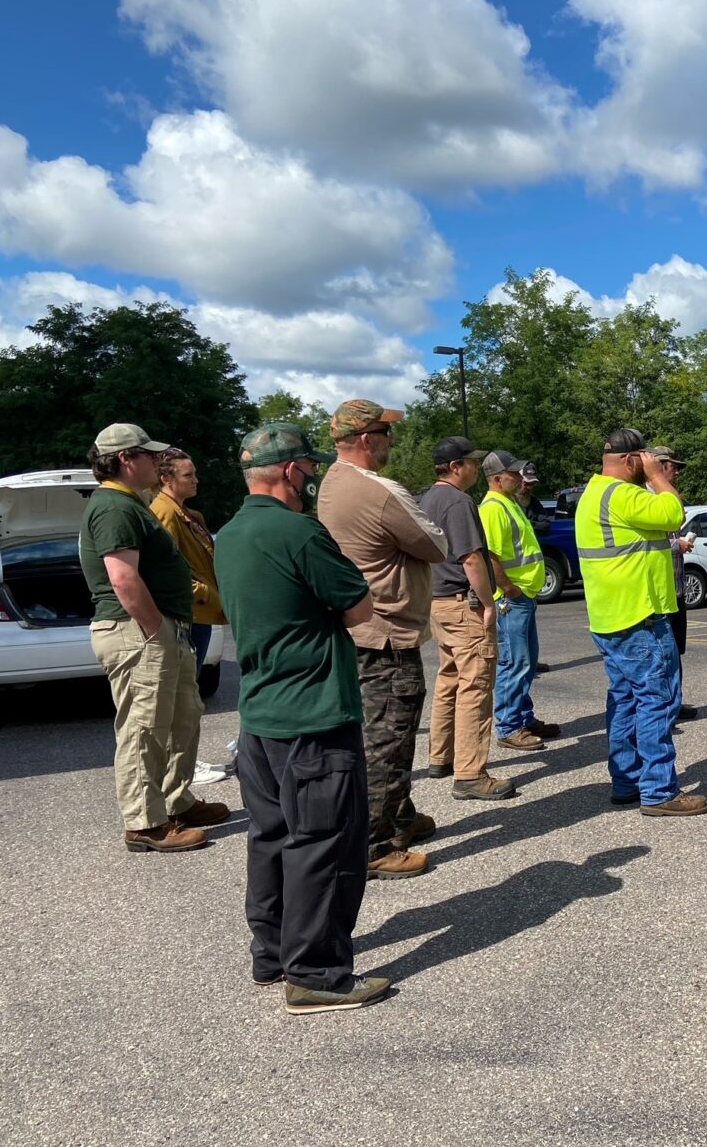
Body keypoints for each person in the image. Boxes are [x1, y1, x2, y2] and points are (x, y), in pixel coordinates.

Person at [213, 422, 390, 1015]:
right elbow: (358, 607)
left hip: (259, 715)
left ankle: (273, 952)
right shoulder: (298, 532)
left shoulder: (229, 534)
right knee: (325, 843)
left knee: (270, 837)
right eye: (309, 469)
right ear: (291, 471)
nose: (312, 478)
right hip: (312, 713)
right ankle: (314, 975)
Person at [79, 423, 228, 853]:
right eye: (149, 455)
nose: (157, 462)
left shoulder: (132, 504)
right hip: (139, 632)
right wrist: (155, 631)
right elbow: (123, 579)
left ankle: (177, 802)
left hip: (163, 630)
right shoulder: (114, 507)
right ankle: (145, 823)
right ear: (126, 458)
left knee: (182, 717)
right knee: (144, 728)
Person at [318, 399, 447, 879]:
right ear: (368, 439)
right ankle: (375, 843)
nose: (392, 441)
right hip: (386, 631)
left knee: (378, 731)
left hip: (359, 627)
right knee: (387, 739)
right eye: (387, 434)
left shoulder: (331, 483)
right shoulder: (378, 490)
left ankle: (401, 816)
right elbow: (437, 544)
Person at [575, 428, 707, 816]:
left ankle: (627, 781)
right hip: (639, 614)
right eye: (645, 457)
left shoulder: (593, 493)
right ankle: (659, 791)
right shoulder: (624, 493)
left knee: (624, 699)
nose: (650, 463)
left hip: (610, 614)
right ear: (632, 459)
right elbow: (672, 512)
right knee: (656, 699)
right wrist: (657, 476)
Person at [417, 437, 518, 800]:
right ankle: (471, 773)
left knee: (450, 679)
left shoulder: (427, 498)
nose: (477, 468)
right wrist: (488, 601)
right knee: (475, 685)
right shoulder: (458, 502)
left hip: (438, 601)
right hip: (462, 603)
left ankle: (440, 757)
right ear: (456, 466)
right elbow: (471, 558)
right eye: (472, 463)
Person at [150, 447, 231, 785]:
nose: (196, 479)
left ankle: (187, 760)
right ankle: (180, 764)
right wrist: (204, 594)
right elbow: (167, 568)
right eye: (188, 475)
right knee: (183, 695)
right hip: (189, 614)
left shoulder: (187, 513)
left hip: (200, 614)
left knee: (191, 692)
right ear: (166, 479)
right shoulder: (164, 513)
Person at [478, 449, 560, 750]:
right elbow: (491, 556)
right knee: (515, 663)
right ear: (497, 478)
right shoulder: (493, 508)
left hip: (523, 595)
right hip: (512, 599)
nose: (518, 478)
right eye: (512, 474)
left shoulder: (508, 503)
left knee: (526, 661)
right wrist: (509, 589)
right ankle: (510, 726)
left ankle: (523, 718)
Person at [650, 446, 699, 721]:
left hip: (676, 587)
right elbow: (642, 543)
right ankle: (663, 703)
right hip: (659, 591)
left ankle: (673, 701)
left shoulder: (669, 497)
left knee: (675, 648)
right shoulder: (645, 496)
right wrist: (675, 544)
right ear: (659, 465)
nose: (677, 472)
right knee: (661, 650)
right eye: (673, 466)